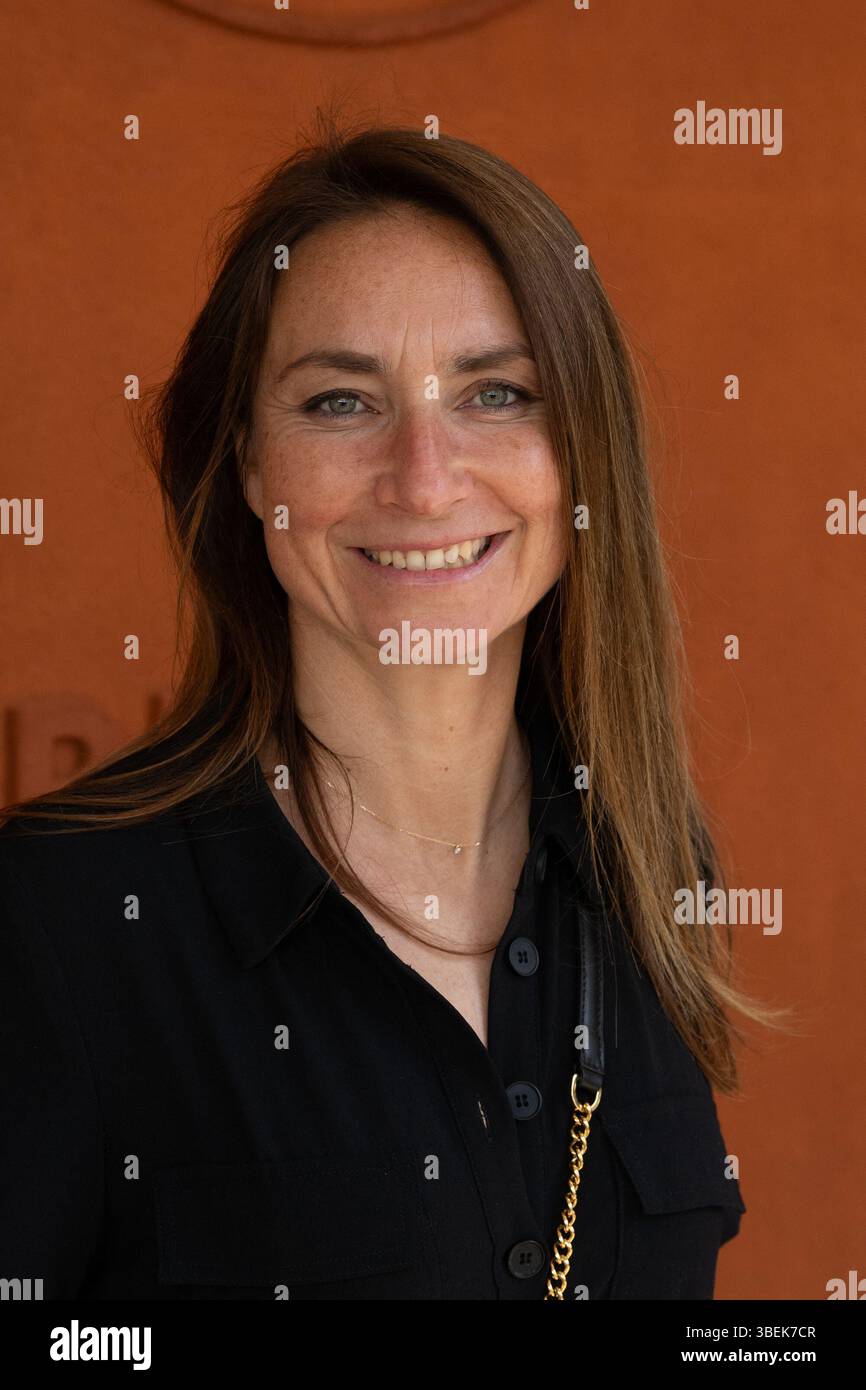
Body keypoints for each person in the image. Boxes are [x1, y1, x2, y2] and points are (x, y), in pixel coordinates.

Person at [0, 119, 774, 1301]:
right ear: (245, 461)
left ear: (581, 455)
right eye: (338, 402)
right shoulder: (57, 923)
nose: (423, 478)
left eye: (495, 392)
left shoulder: (646, 872)